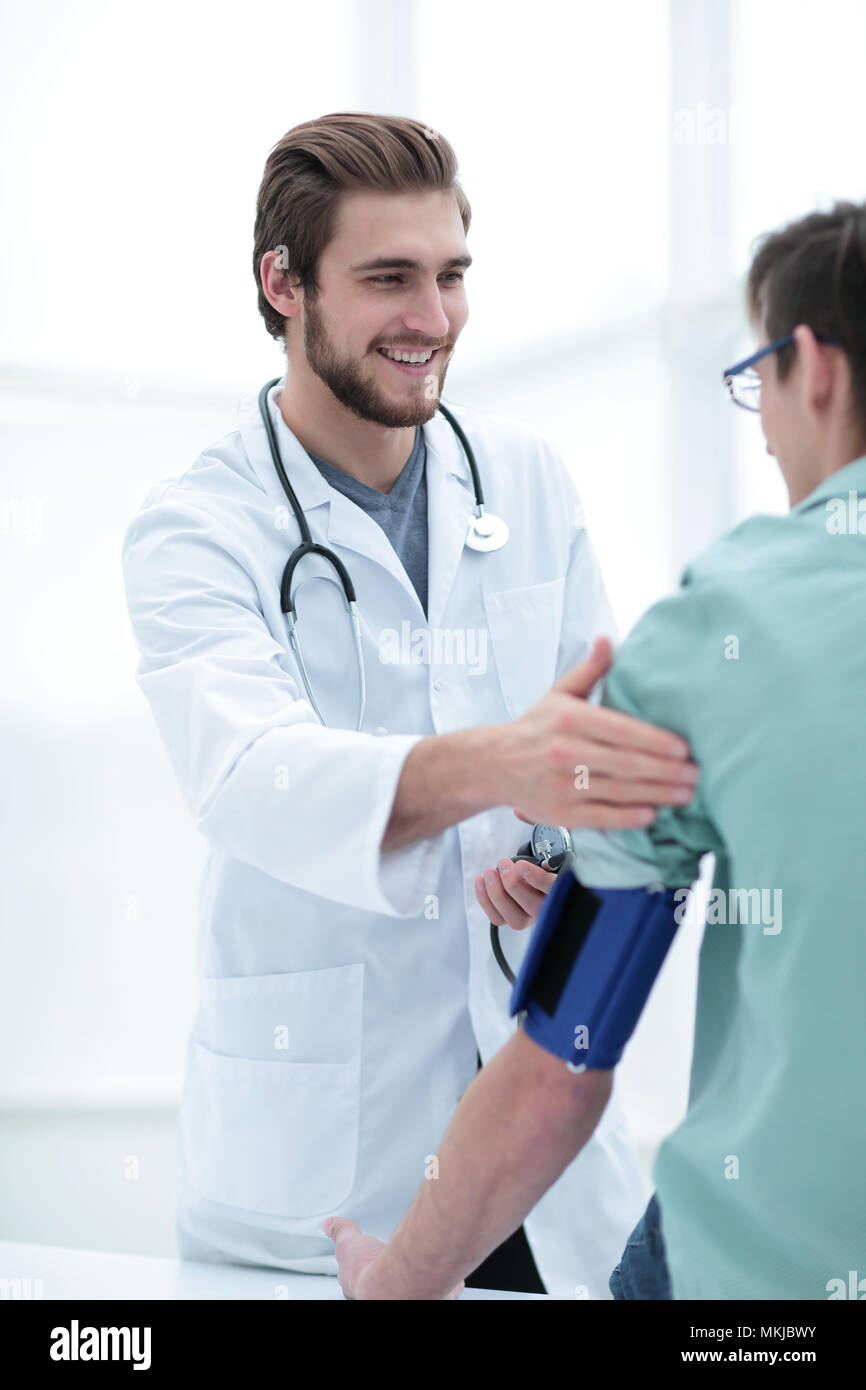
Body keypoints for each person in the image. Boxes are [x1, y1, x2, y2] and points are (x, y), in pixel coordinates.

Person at [121, 112, 699, 1298]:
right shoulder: (197, 526)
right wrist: (499, 766)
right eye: (387, 278)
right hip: (329, 1174)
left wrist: (548, 848)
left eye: (450, 276)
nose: (431, 319)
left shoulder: (526, 478)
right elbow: (252, 776)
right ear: (283, 285)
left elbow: (588, 753)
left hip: (539, 1150)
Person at [326, 197, 866, 1301]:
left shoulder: (725, 629)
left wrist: (393, 1284)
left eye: (756, 378)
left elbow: (560, 1069)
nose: (763, 428)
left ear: (811, 367)